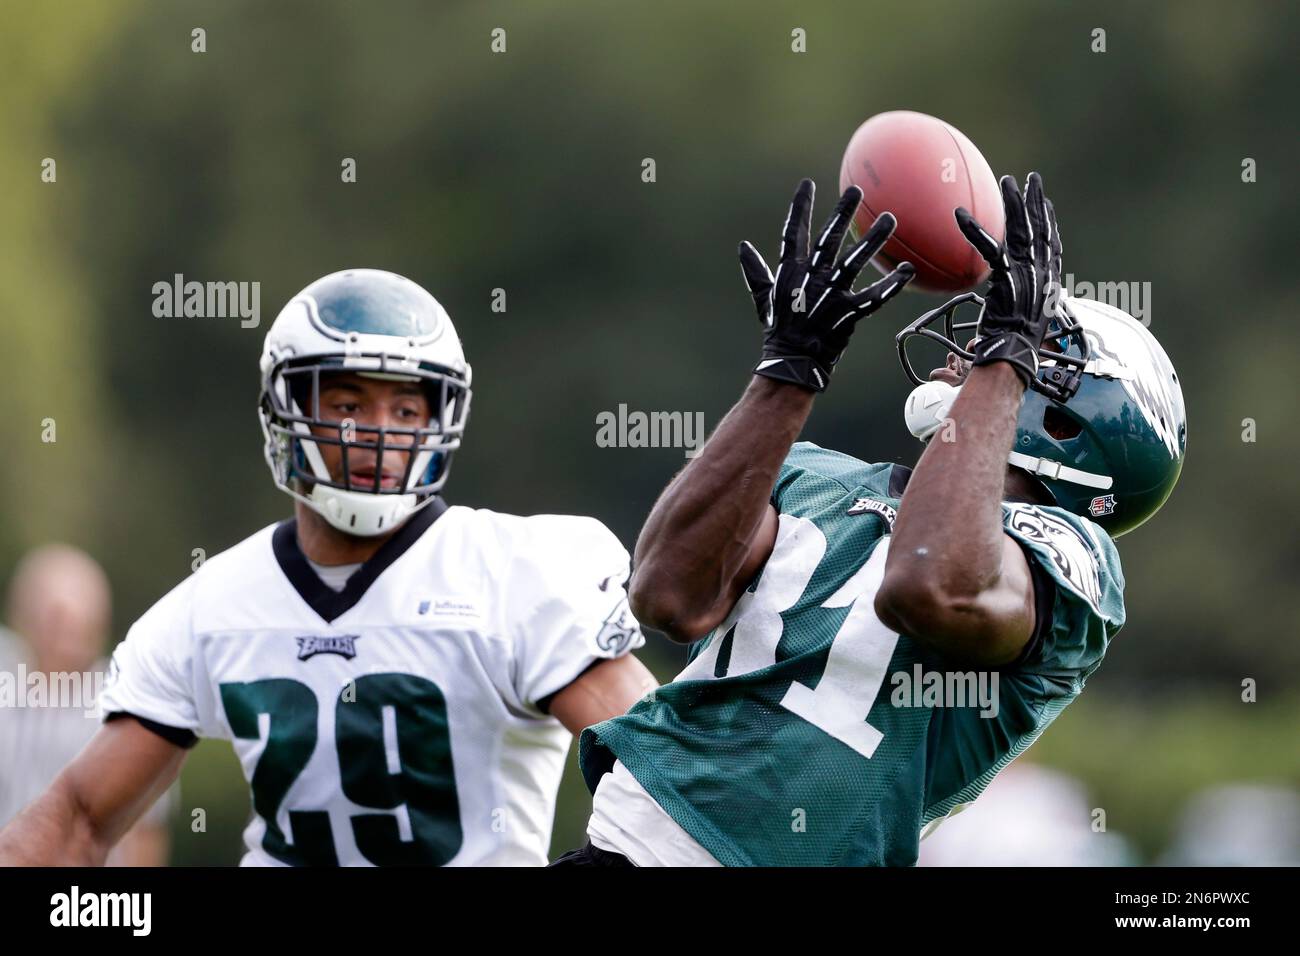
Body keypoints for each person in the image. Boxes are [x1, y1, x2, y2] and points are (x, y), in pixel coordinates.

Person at [556, 173, 1186, 866]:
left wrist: (1004, 362)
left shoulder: (1075, 564)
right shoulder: (818, 476)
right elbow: (669, 596)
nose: (963, 358)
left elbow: (929, 584)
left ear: (1066, 420)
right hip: (619, 847)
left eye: (1003, 347)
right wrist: (788, 371)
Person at [0, 269, 656, 866]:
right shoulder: (215, 603)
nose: (379, 433)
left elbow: (660, 769)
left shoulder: (511, 576)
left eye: (405, 409)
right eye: (348, 405)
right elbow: (78, 823)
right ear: (287, 412)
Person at [0, 545, 173, 865]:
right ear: (25, 618)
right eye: (57, 620)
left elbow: (146, 831)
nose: (69, 637)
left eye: (82, 623)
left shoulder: (127, 701)